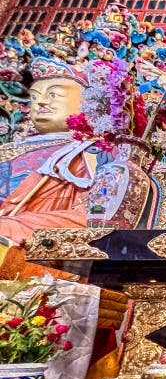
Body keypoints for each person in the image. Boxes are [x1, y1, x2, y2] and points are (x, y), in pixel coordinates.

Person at [0, 58, 96, 242]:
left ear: (88, 103)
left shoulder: (90, 151)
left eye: (53, 95)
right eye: (34, 97)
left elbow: (94, 217)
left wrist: (12, 225)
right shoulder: (9, 149)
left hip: (32, 240)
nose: (41, 102)